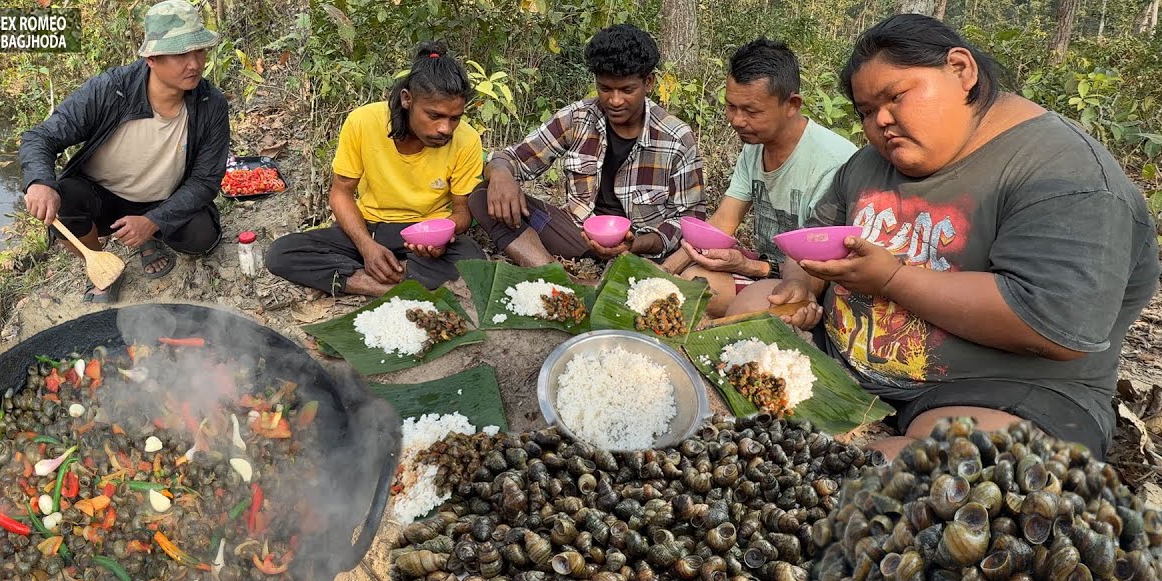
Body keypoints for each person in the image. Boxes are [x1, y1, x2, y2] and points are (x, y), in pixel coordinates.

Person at [760, 14, 1158, 460]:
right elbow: (815, 237)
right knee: (750, 307)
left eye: (895, 97)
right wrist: (801, 282)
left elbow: (1055, 324)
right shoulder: (868, 163)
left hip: (998, 392)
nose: (881, 122)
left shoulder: (1064, 172)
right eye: (866, 111)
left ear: (961, 70)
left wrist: (892, 280)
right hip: (842, 362)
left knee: (918, 479)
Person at [19, 0, 229, 302]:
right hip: (104, 196)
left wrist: (155, 219)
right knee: (65, 201)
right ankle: (102, 267)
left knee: (202, 236)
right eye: (181, 54)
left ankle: (149, 238)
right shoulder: (111, 89)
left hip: (163, 198)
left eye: (198, 50)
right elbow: (40, 137)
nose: (194, 63)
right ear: (152, 59)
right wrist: (39, 181)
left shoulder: (211, 104)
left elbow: (205, 181)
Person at [470, 24, 704, 267]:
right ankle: (557, 277)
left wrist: (637, 243)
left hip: (640, 249)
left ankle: (609, 271)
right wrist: (500, 172)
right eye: (605, 88)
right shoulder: (576, 118)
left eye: (627, 90)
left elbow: (690, 220)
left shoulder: (676, 137)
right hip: (577, 236)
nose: (614, 100)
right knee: (482, 195)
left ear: (649, 82)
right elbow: (514, 158)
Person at [265, 42, 486, 296]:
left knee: (472, 259)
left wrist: (440, 237)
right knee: (281, 253)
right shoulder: (363, 122)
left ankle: (372, 275)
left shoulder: (467, 139)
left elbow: (462, 211)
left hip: (424, 233)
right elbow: (341, 194)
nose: (445, 128)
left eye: (454, 118)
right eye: (434, 116)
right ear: (407, 99)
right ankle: (383, 283)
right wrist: (366, 247)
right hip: (369, 226)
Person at [661, 38, 857, 317]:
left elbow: (820, 270)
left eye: (751, 111)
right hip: (769, 271)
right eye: (731, 106)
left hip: (807, 286)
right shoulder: (754, 146)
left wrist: (751, 267)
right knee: (688, 284)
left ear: (792, 104)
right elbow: (723, 222)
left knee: (745, 305)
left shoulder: (833, 163)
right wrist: (666, 269)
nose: (737, 120)